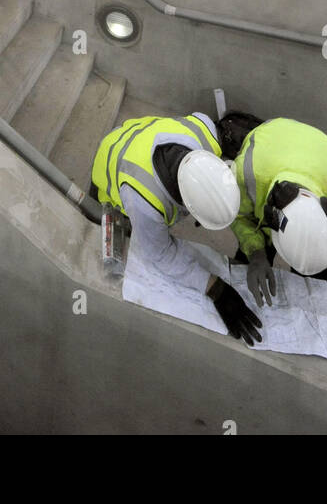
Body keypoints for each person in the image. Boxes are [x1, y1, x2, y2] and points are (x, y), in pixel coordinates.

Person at [91, 111, 263, 345]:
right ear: (187, 206)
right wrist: (215, 289)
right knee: (124, 229)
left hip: (133, 135)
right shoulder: (144, 200)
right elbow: (159, 255)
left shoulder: (204, 129)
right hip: (108, 162)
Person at [232, 117, 327, 332]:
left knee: (312, 287)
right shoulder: (248, 174)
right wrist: (256, 253)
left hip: (320, 158)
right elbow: (239, 215)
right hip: (276, 137)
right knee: (250, 267)